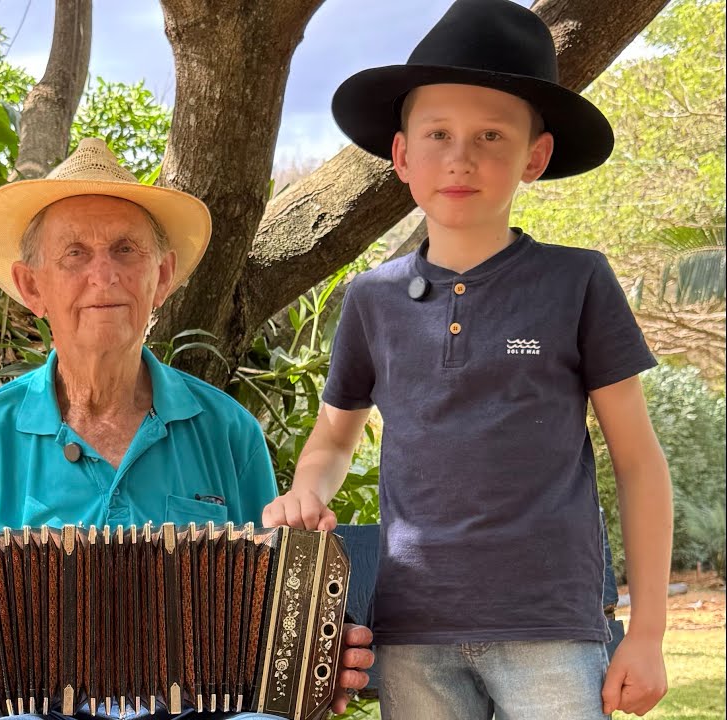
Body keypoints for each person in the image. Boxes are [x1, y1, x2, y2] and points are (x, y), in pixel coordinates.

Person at [262, 1, 673, 718]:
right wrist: (308, 492)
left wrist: (647, 633)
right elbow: (333, 436)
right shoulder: (371, 299)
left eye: (491, 135)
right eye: (439, 134)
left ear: (534, 158)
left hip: (550, 631)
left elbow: (639, 460)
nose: (461, 156)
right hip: (413, 630)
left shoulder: (577, 282)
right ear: (402, 156)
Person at [0, 138, 374, 716]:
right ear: (32, 286)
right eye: (75, 254)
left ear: (160, 277)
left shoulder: (229, 431)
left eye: (125, 250)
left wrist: (318, 651)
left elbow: (269, 624)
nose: (104, 274)